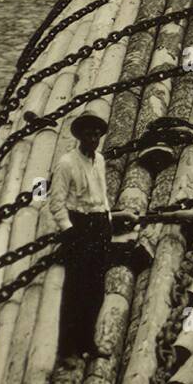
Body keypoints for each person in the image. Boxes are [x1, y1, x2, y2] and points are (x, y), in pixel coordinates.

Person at [48, 112, 113, 357]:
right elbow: (56, 203)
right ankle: (66, 350)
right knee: (74, 290)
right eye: (89, 134)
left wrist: (107, 219)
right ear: (80, 137)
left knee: (96, 289)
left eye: (97, 134)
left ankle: (88, 343)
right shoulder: (66, 163)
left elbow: (103, 194)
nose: (93, 138)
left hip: (99, 226)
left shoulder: (100, 160)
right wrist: (69, 230)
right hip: (79, 226)